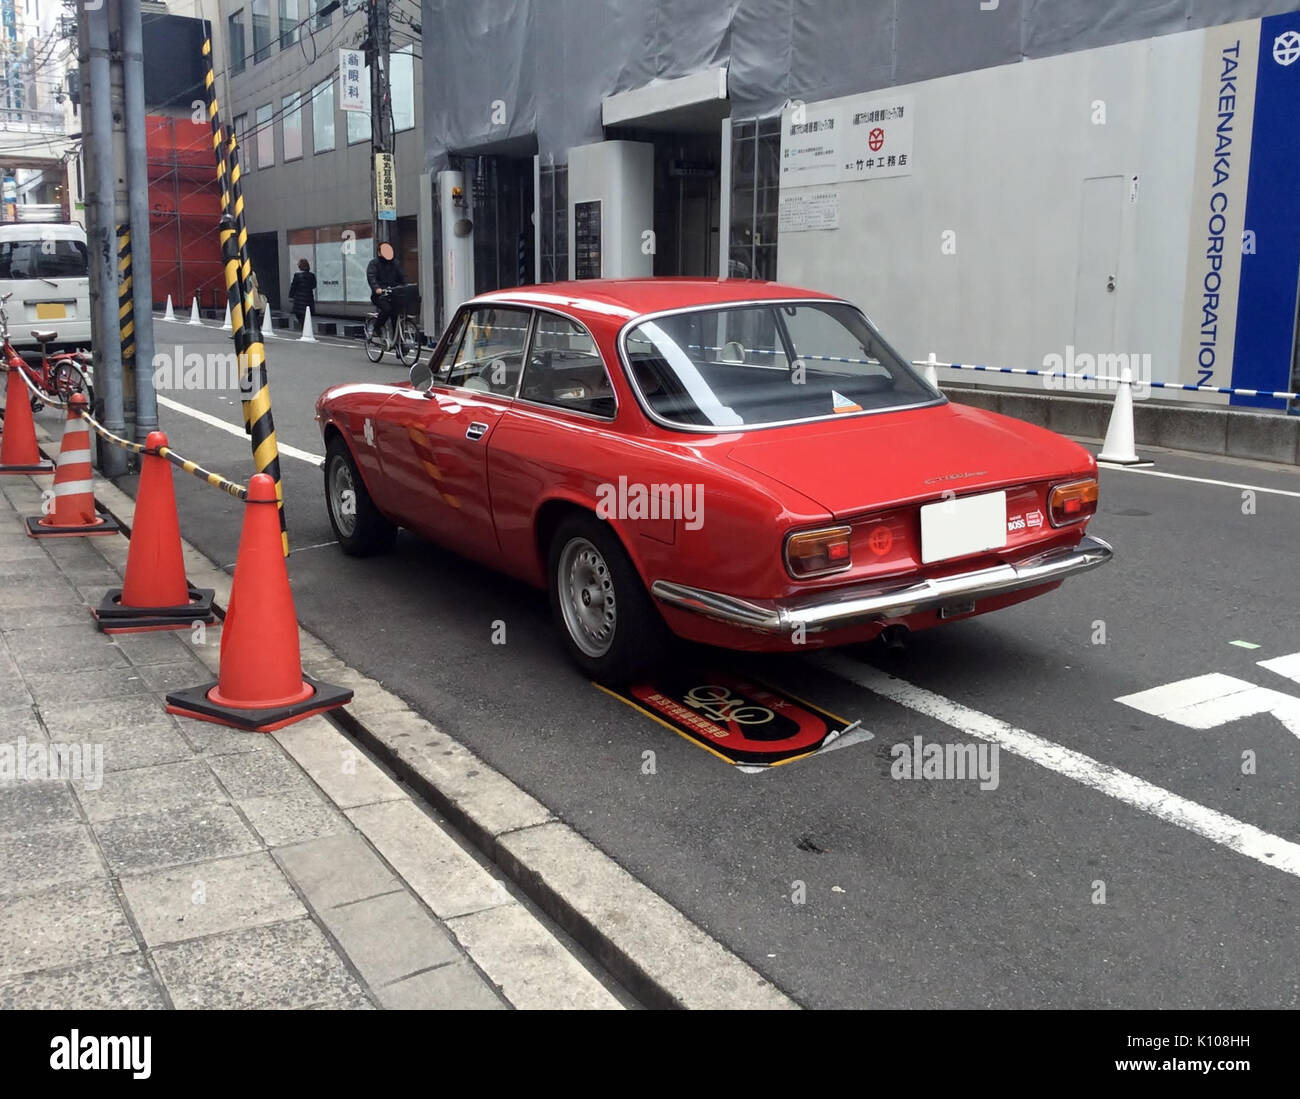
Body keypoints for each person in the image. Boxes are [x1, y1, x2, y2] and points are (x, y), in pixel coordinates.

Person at [366, 241, 406, 347]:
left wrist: (406, 286)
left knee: (397, 315)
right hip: (380, 295)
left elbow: (402, 277)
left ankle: (398, 344)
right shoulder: (374, 263)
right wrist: (377, 288)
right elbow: (371, 277)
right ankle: (377, 328)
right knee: (387, 309)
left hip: (394, 294)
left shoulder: (395, 263)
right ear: (379, 253)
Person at [288, 258, 316, 330]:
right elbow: (314, 285)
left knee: (299, 314)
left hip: (299, 299)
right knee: (307, 314)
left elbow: (293, 286)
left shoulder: (297, 276)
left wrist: (291, 295)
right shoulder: (311, 275)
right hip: (308, 298)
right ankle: (306, 327)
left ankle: (304, 327)